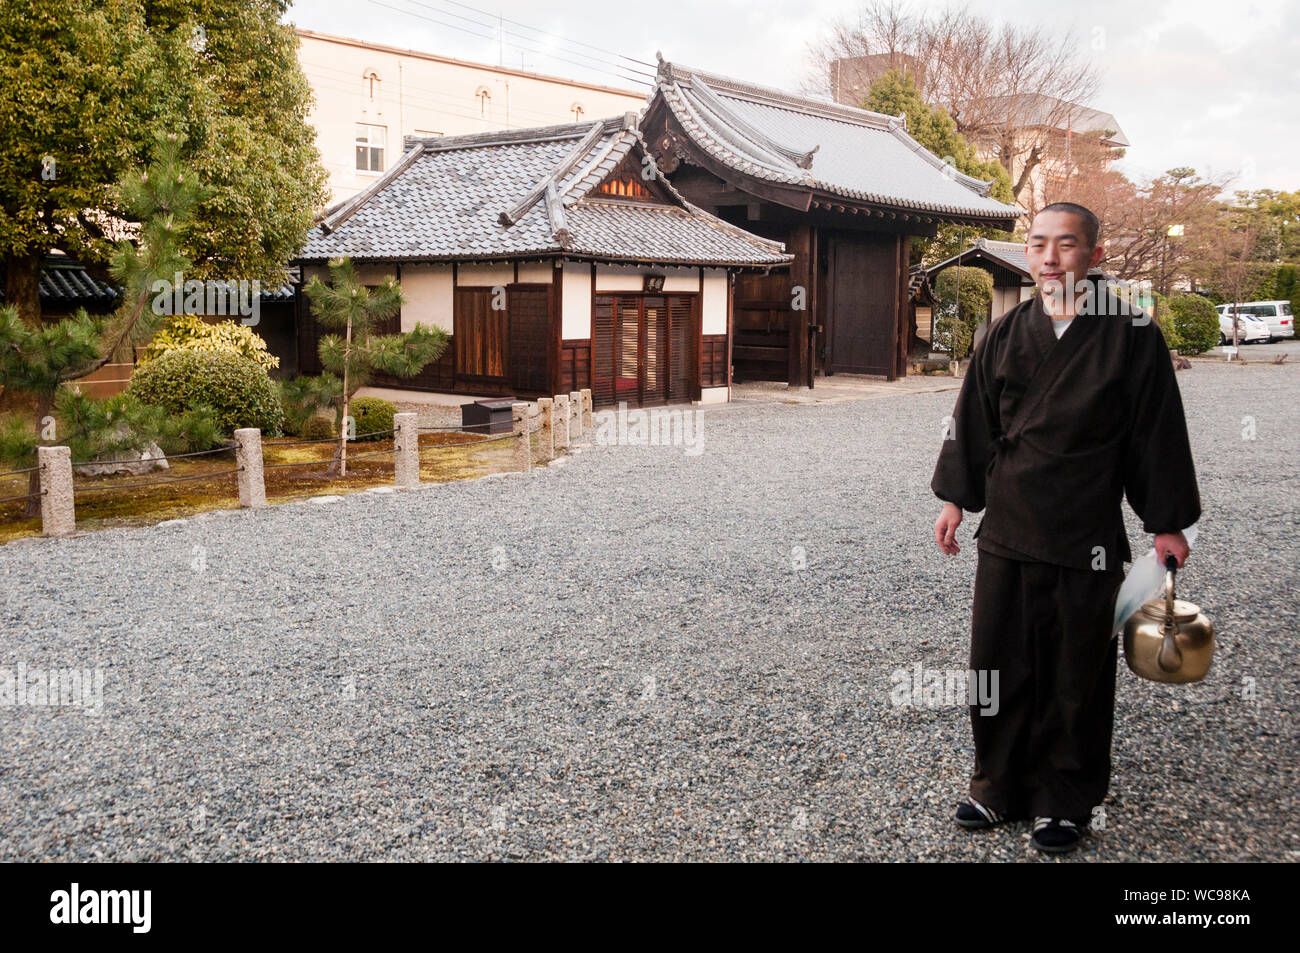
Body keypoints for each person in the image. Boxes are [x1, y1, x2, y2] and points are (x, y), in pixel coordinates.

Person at [930, 202, 1201, 854]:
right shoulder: (1004, 332)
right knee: (997, 661)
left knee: (1077, 669)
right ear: (1027, 252)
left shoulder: (1132, 334)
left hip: (1087, 529)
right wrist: (956, 500)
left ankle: (1065, 797)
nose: (1050, 257)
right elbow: (974, 420)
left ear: (1095, 255)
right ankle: (997, 784)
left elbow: (1155, 432)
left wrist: (1166, 523)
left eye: (1067, 244)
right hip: (1009, 525)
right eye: (1038, 243)